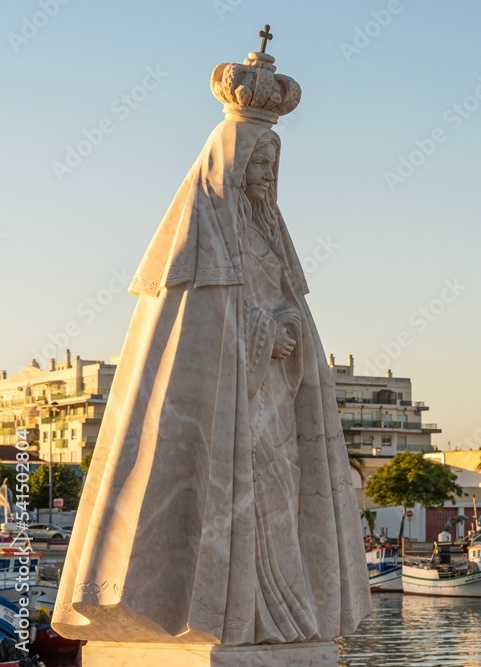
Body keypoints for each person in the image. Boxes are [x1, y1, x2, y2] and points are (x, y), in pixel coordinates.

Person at [53, 47, 371, 646]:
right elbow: (198, 352)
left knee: (276, 504)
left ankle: (275, 617)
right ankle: (222, 614)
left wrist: (289, 334)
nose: (269, 169)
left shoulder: (270, 236)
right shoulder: (200, 247)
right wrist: (260, 335)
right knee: (231, 505)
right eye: (259, 157)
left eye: (275, 158)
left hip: (274, 404)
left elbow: (290, 310)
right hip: (232, 409)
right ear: (231, 160)